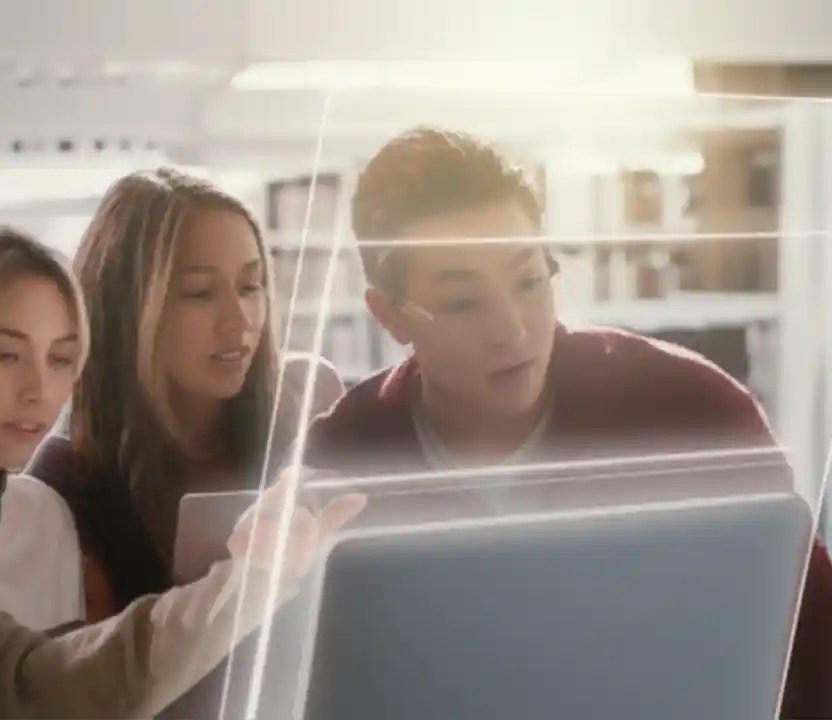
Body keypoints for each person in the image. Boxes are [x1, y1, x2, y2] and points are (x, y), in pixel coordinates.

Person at [301, 126, 832, 717]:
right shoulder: (343, 459)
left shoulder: (692, 413)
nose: (513, 329)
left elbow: (811, 646)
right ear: (390, 315)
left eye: (529, 281)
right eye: (462, 302)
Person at [0, 227, 363, 719]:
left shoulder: (45, 511)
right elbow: (39, 693)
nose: (38, 391)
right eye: (5, 355)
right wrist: (249, 579)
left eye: (62, 359)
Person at [29, 168, 344, 620]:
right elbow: (98, 678)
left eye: (251, 286)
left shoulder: (307, 400)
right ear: (127, 308)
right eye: (199, 293)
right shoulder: (67, 482)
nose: (238, 321)